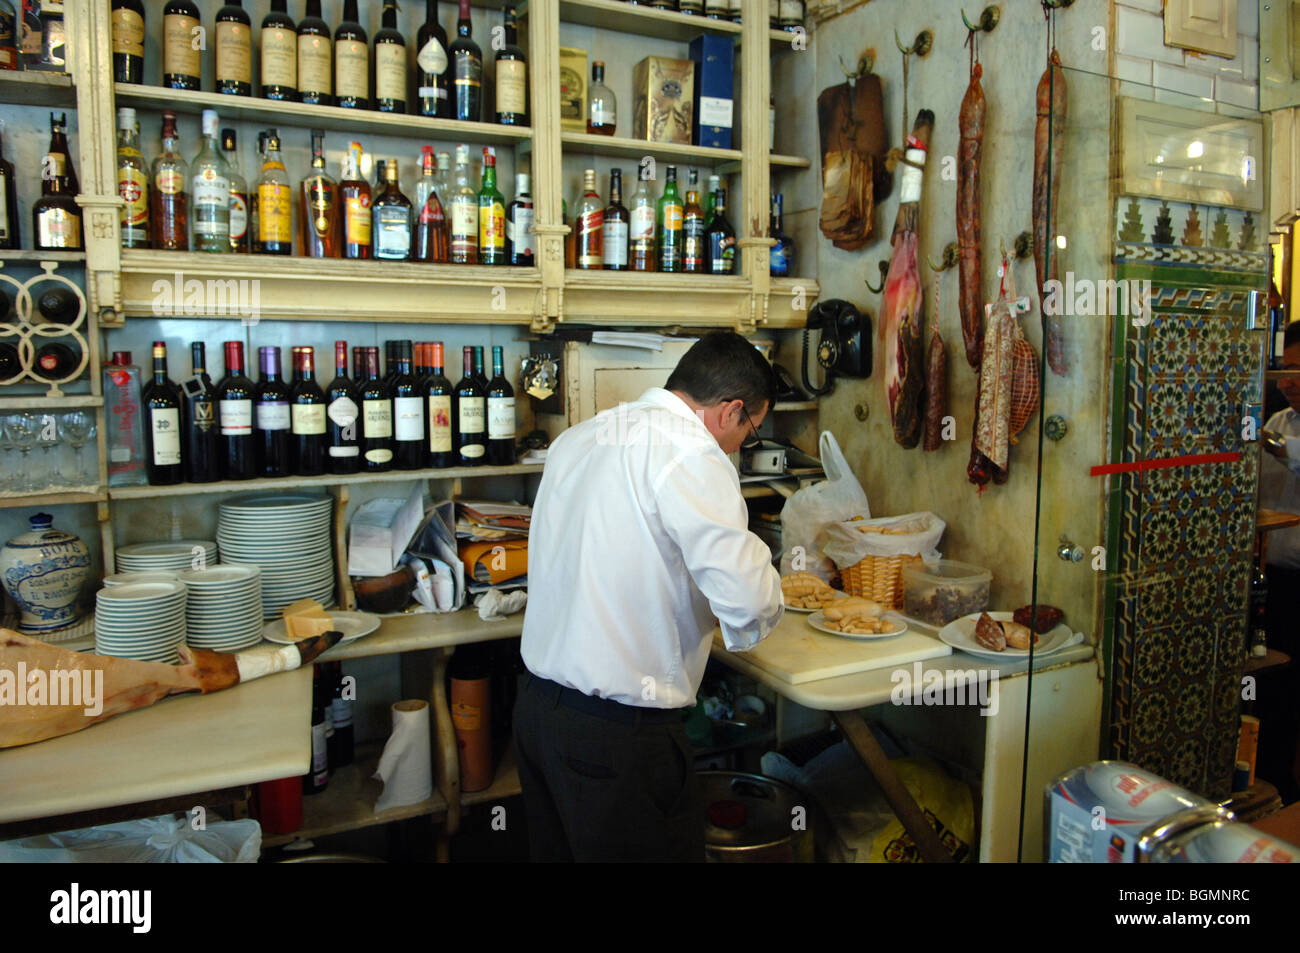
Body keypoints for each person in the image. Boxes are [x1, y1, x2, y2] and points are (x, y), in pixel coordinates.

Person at [513, 332, 785, 861]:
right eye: (751, 430)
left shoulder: (581, 437)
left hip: (538, 715)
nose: (744, 444)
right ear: (731, 411)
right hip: (616, 738)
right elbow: (749, 602)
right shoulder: (692, 454)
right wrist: (773, 590)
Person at [1257, 320, 1300, 804]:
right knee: (1275, 686)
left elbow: (1293, 458)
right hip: (1276, 578)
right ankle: (1270, 779)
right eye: (1284, 370)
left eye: (1296, 370)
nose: (1287, 381)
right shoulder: (1278, 423)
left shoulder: (1276, 435)